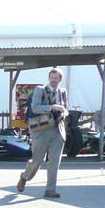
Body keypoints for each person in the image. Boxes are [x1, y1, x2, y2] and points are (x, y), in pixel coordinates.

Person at [18, 67, 68, 198]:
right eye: (51, 78)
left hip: (58, 130)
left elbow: (65, 108)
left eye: (56, 78)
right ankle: (24, 177)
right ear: (49, 78)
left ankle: (50, 189)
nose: (53, 80)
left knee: (54, 161)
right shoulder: (40, 90)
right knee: (37, 161)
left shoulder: (63, 92)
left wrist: (64, 113)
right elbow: (35, 107)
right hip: (41, 130)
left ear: (60, 79)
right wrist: (52, 107)